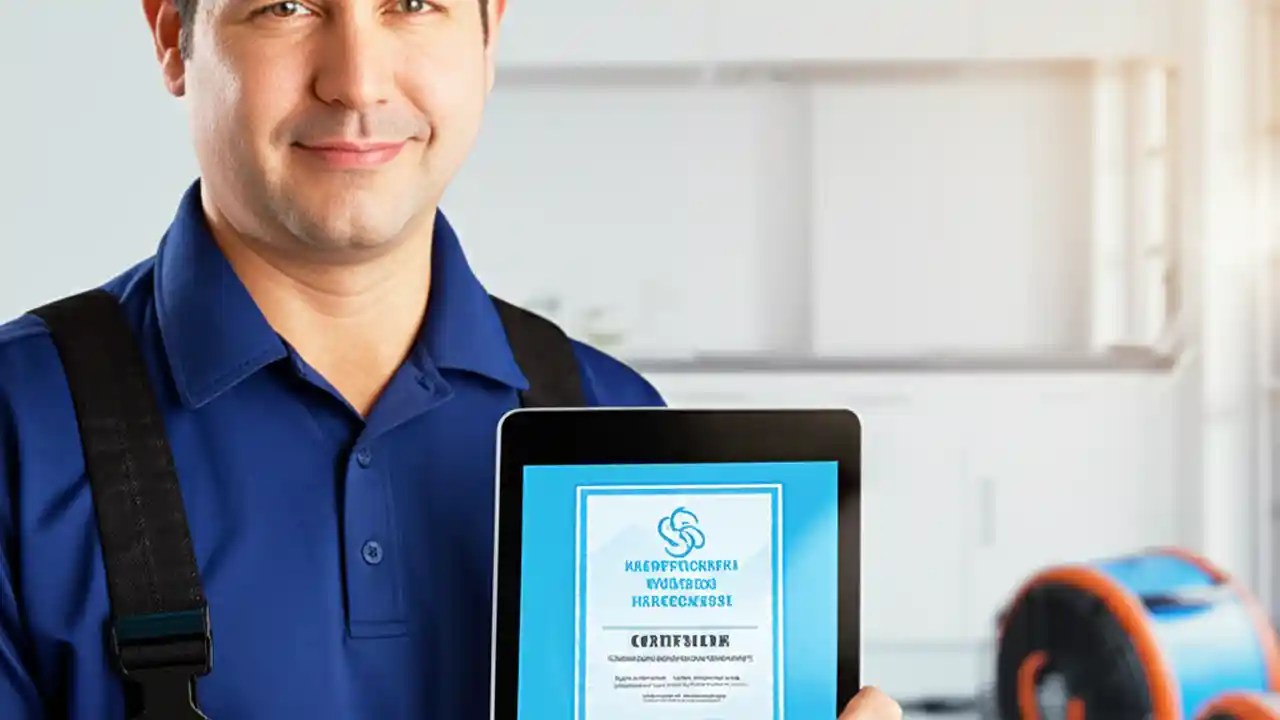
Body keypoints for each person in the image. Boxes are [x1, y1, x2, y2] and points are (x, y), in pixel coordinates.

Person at [0, 1, 902, 718]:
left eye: (414, 3)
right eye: (286, 5)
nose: (356, 82)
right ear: (171, 35)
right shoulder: (17, 429)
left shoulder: (611, 418)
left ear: (488, 33)